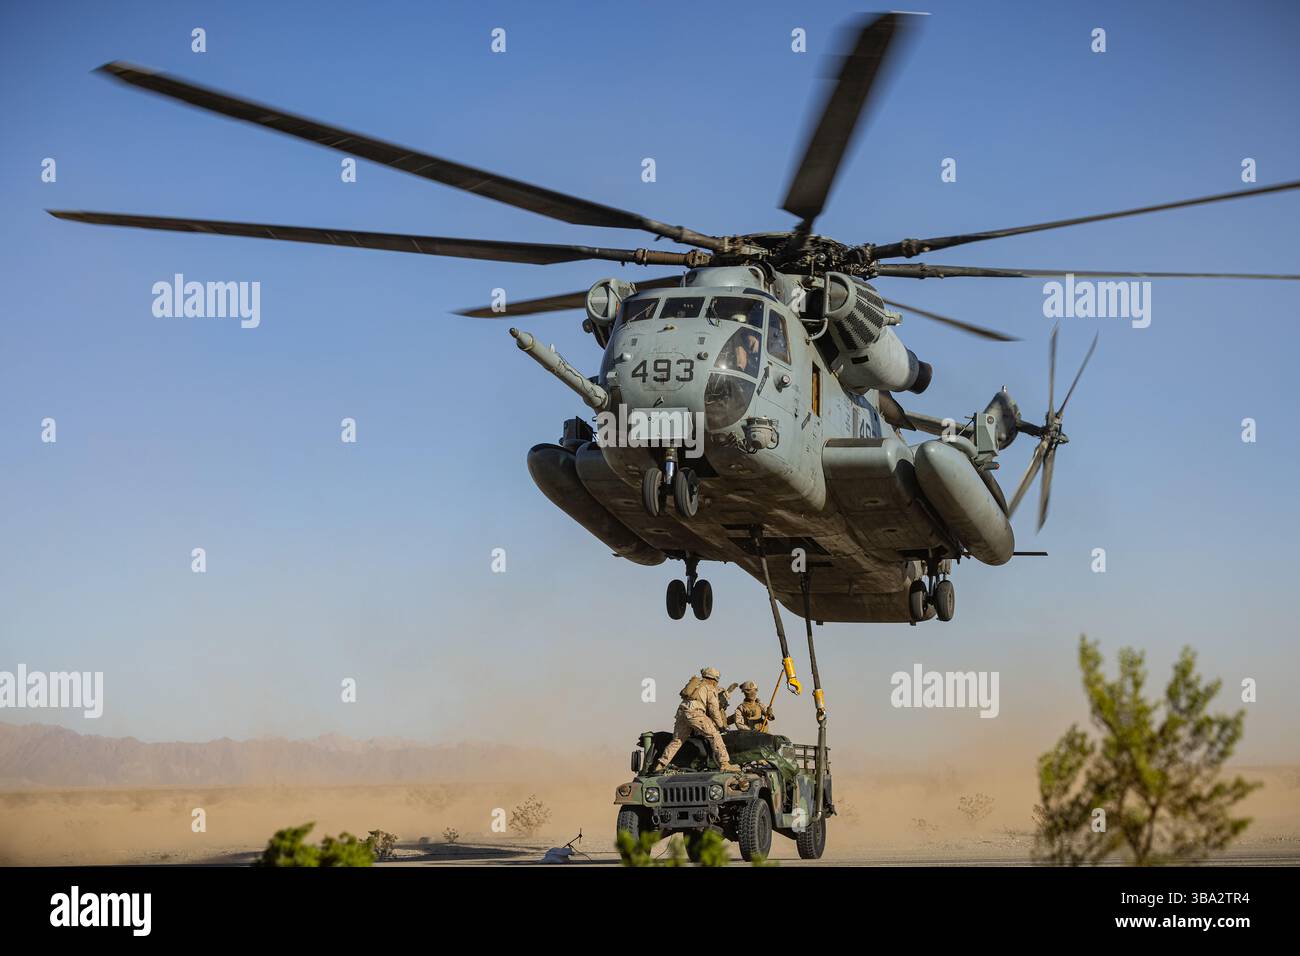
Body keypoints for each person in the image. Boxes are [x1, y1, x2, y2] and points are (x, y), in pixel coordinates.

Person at [653, 667, 740, 772]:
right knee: (714, 735)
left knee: (677, 741)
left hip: (681, 712)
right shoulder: (709, 687)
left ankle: (661, 764)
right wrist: (721, 725)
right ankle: (725, 763)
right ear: (715, 679)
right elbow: (714, 710)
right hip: (695, 713)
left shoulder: (696, 685)